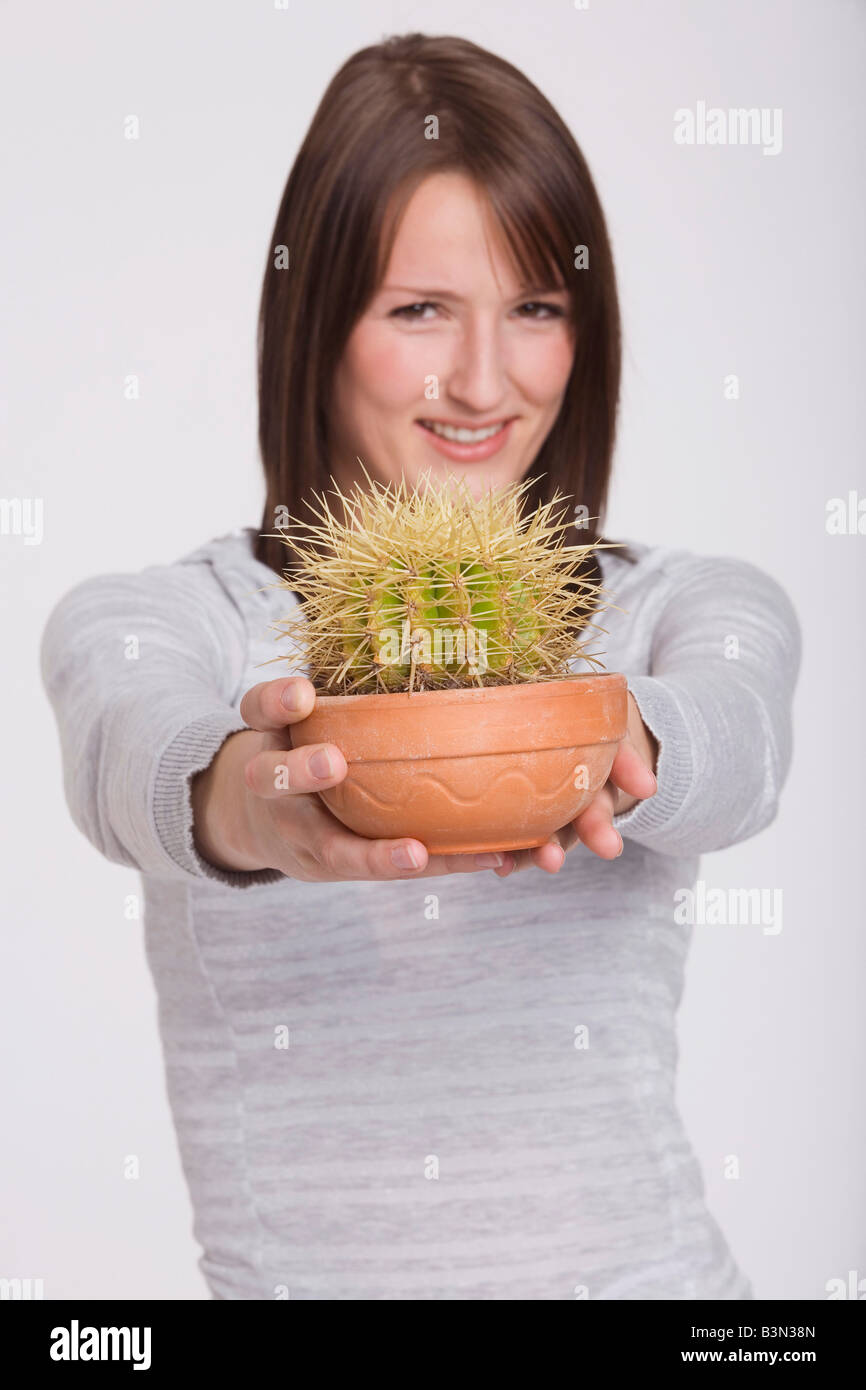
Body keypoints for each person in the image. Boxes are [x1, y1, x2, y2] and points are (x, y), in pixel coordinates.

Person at [40, 33, 800, 1300]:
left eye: (537, 309)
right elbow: (129, 749)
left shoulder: (681, 603)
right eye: (419, 310)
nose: (485, 382)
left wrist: (613, 741)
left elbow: (742, 745)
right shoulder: (163, 618)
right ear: (318, 319)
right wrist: (249, 796)